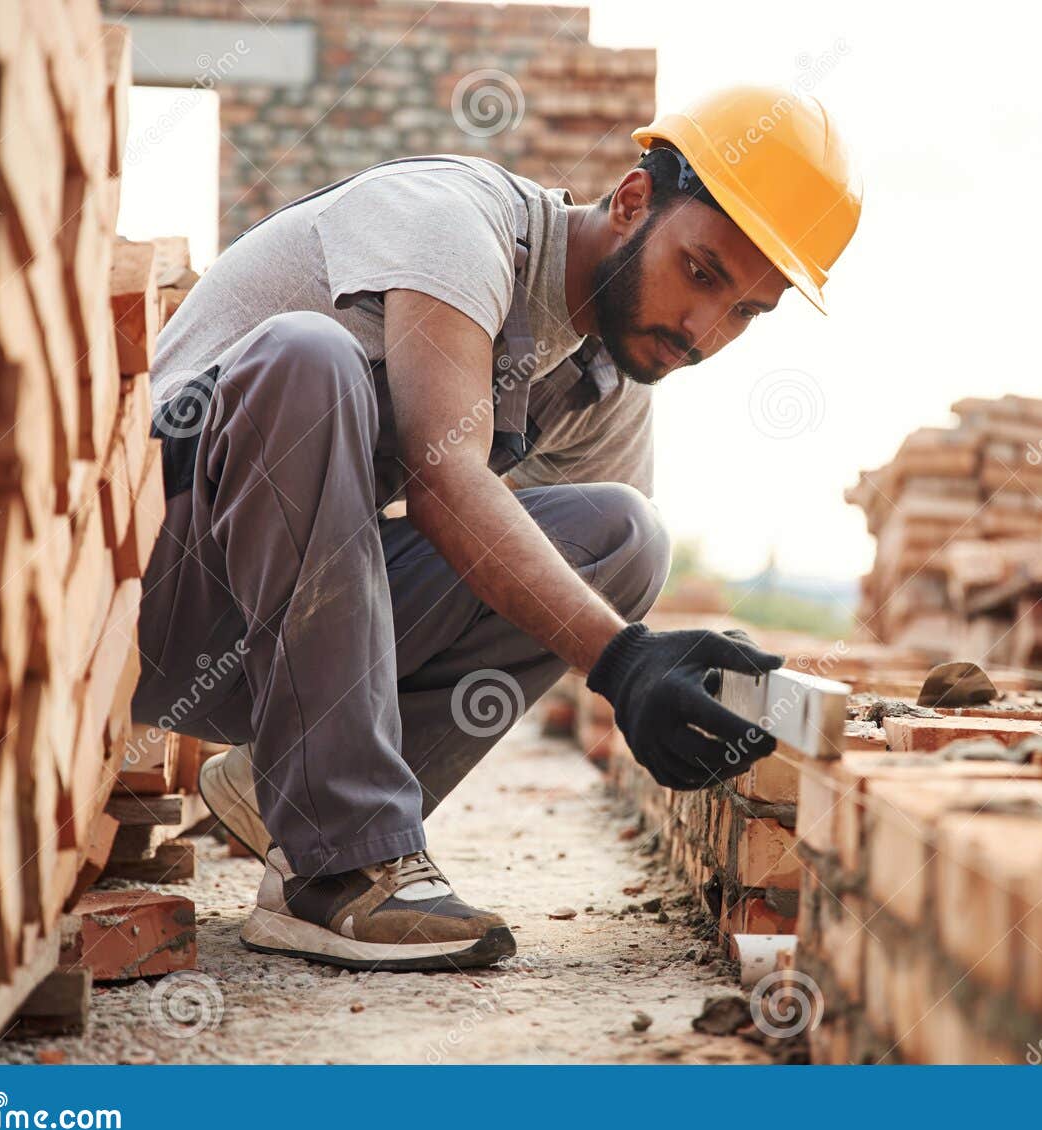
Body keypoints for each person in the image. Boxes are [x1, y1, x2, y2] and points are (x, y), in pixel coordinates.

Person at [130, 85, 863, 971]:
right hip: (147, 596)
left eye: (747, 311)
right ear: (633, 202)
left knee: (624, 538)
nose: (704, 330)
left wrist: (677, 671)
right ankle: (345, 860)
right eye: (701, 272)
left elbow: (573, 603)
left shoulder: (611, 373)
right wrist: (624, 662)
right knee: (307, 357)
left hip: (268, 642)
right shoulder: (456, 223)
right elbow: (446, 484)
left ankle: (289, 805)